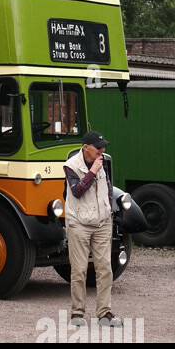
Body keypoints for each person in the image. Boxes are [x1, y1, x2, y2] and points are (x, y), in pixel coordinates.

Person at [63, 131, 121, 327]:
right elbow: (77, 191)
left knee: (105, 268)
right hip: (79, 223)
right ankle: (77, 314)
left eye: (103, 147)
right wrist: (93, 171)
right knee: (79, 270)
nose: (102, 151)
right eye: (98, 148)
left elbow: (108, 187)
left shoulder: (102, 161)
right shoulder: (71, 166)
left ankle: (105, 313)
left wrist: (110, 210)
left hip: (103, 222)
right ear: (86, 147)